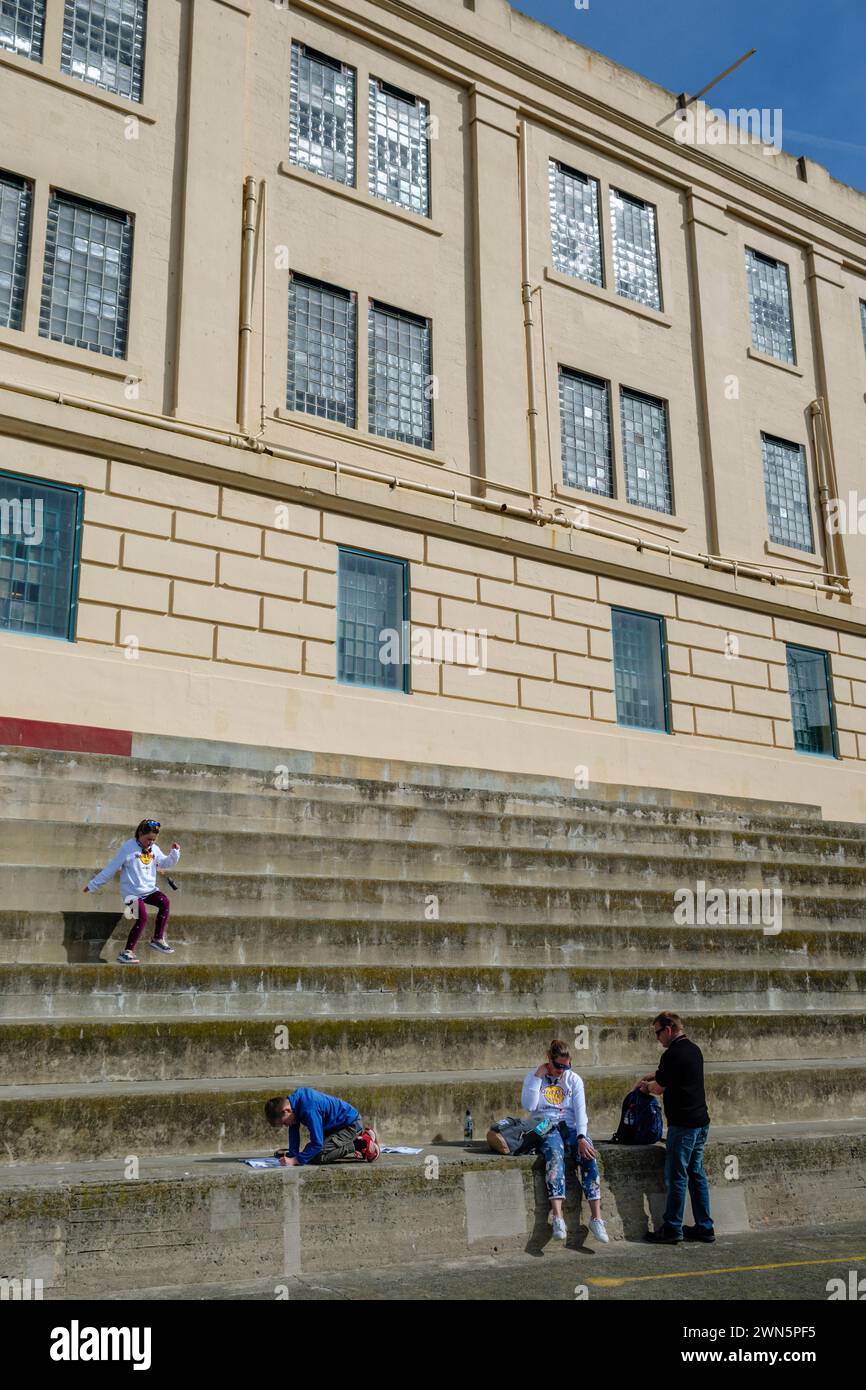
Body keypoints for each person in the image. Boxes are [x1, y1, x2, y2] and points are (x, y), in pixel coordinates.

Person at [521, 1039, 608, 1244]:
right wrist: (537, 1077)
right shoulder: (535, 1077)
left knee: (588, 1155)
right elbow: (530, 1106)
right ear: (548, 1060)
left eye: (566, 1066)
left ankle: (597, 1218)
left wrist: (581, 1137)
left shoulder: (573, 1079)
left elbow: (581, 1113)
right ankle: (558, 1216)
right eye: (558, 1065)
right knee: (555, 1154)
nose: (562, 1070)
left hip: (570, 1126)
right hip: (546, 1125)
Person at [638, 1011, 714, 1245]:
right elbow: (668, 1076)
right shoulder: (693, 1050)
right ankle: (705, 1227)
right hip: (701, 1123)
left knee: (677, 1176)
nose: (657, 1038)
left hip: (683, 1126)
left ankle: (672, 1228)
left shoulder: (672, 1054)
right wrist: (652, 1077)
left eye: (658, 1032)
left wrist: (643, 1088)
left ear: (668, 1029)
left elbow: (660, 1087)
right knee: (696, 1174)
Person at [83, 818, 180, 964]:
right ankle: (127, 952)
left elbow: (165, 862)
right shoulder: (128, 848)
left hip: (149, 891)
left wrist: (175, 853)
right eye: (148, 839)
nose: (151, 843)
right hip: (130, 894)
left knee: (164, 902)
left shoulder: (154, 849)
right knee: (143, 917)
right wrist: (93, 885)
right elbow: (111, 868)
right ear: (140, 833)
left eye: (153, 840)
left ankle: (158, 939)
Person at [264, 1089, 379, 1165]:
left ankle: (361, 1143)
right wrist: (292, 1154)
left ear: (286, 1110)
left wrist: (294, 1160)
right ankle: (359, 1139)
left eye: (284, 1123)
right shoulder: (294, 1103)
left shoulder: (308, 1108)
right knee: (307, 1153)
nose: (286, 1126)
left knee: (317, 1157)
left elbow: (317, 1144)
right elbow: (294, 1130)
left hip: (350, 1125)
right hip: (335, 1127)